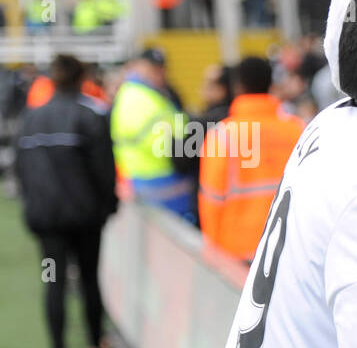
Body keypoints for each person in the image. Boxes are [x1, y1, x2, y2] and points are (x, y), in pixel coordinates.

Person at [14, 55, 117, 348]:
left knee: (52, 279)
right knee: (88, 278)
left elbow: (21, 172)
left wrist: (31, 204)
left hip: (46, 219)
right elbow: (104, 170)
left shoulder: (30, 119)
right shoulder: (90, 116)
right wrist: (107, 204)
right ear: (81, 77)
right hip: (84, 217)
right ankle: (95, 345)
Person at [198, 57, 305, 263]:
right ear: (270, 84)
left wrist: (212, 253)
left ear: (238, 87)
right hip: (290, 250)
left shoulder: (223, 135)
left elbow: (211, 200)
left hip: (238, 254)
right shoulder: (299, 129)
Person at [110, 48, 192, 222]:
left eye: (161, 67)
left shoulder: (151, 94)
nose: (160, 72)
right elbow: (170, 148)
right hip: (157, 188)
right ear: (137, 66)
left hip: (158, 188)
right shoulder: (137, 98)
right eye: (153, 68)